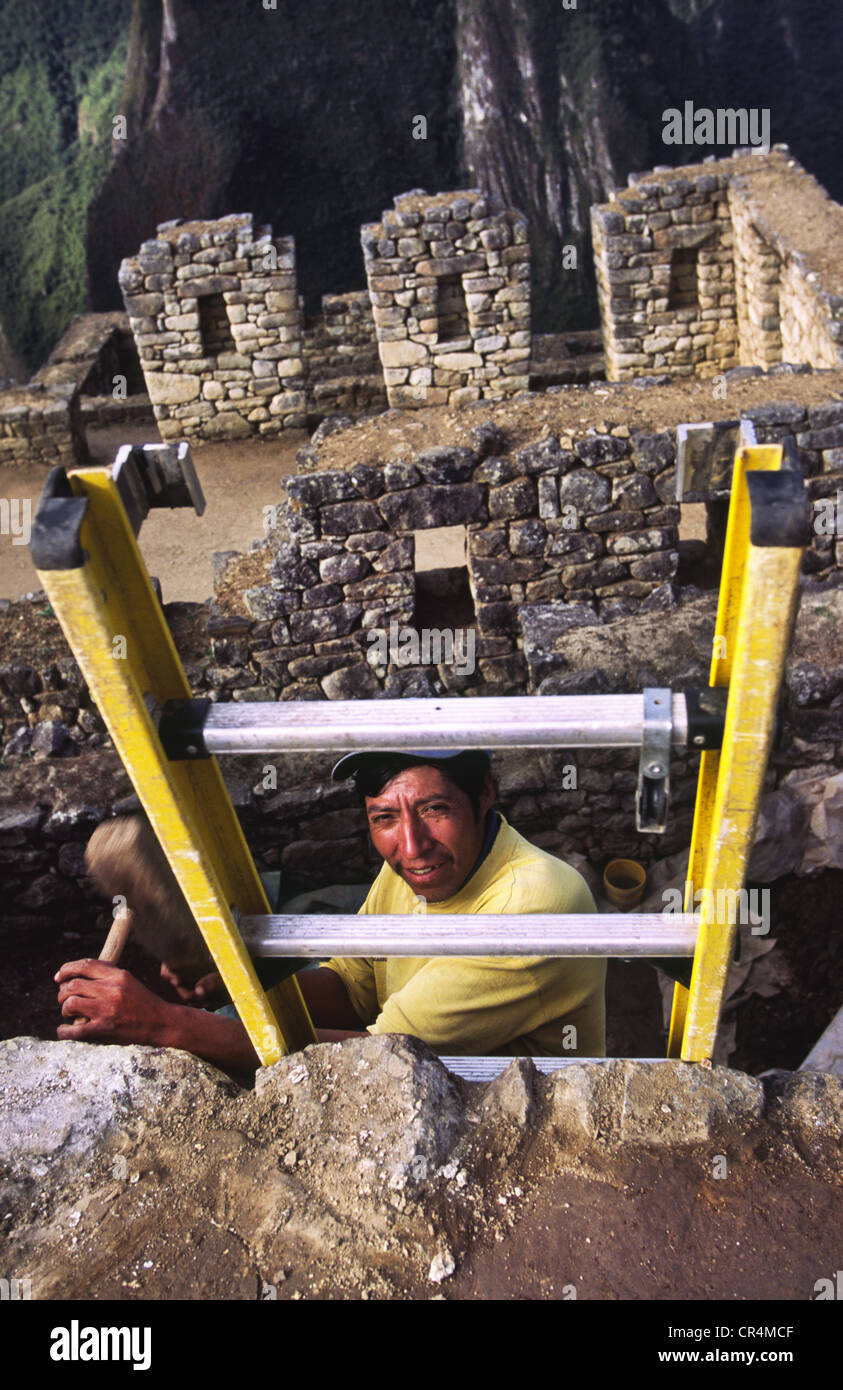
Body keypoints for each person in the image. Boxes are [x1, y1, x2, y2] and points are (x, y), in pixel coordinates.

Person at [55, 750, 605, 1069]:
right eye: (384, 818)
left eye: (435, 809)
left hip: (505, 1111)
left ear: (484, 794)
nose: (411, 847)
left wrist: (163, 1024)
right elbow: (352, 986)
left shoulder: (532, 906)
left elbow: (384, 1057)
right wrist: (243, 981)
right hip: (414, 1061)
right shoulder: (418, 868)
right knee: (227, 1023)